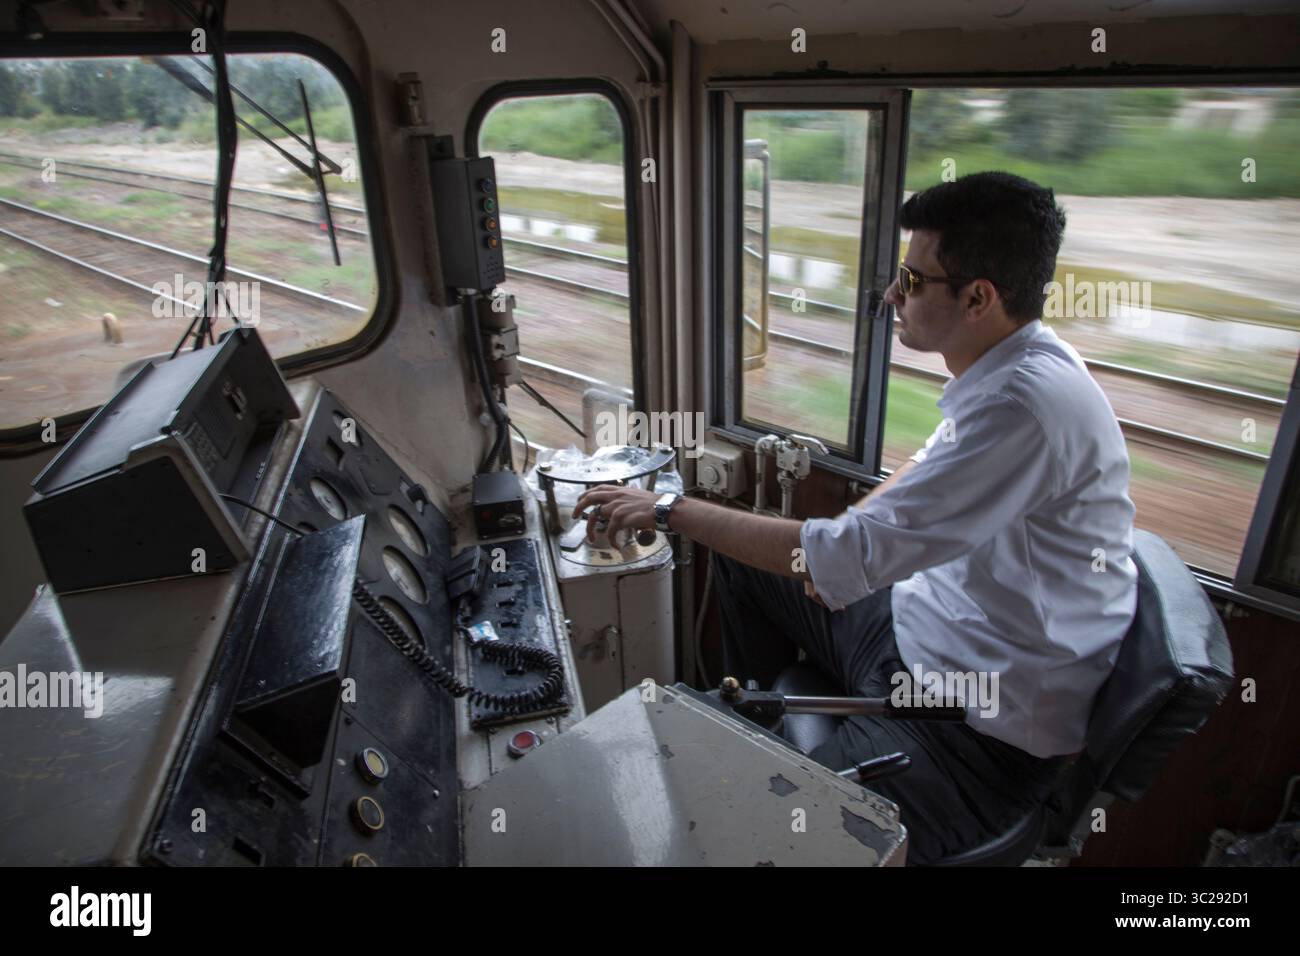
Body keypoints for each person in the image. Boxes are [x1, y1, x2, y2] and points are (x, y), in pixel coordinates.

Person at [573, 171, 1138, 864]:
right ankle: (759, 720)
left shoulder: (1021, 406)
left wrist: (668, 508)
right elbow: (912, 479)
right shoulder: (1011, 368)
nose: (894, 294)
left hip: (973, 731)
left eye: (913, 277)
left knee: (772, 832)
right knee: (747, 564)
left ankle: (769, 777)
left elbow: (844, 549)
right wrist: (840, 561)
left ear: (979, 298)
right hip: (921, 631)